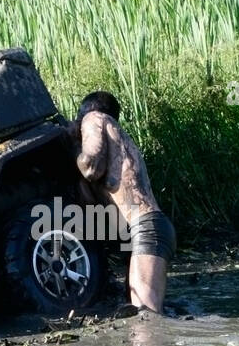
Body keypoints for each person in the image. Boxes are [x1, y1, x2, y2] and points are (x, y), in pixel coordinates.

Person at [71, 91, 174, 312]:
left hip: (147, 230)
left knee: (147, 320)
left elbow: (90, 167)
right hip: (147, 230)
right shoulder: (118, 140)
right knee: (143, 317)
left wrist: (73, 150)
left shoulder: (94, 119)